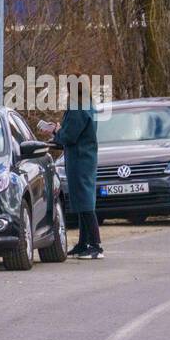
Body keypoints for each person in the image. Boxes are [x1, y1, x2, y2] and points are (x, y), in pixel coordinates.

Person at [38, 100, 101, 259]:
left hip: (79, 159)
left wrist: (56, 133)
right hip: (84, 157)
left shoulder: (77, 108)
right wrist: (59, 130)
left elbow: (69, 136)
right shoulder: (87, 105)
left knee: (85, 201)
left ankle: (95, 245)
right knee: (82, 201)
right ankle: (83, 243)